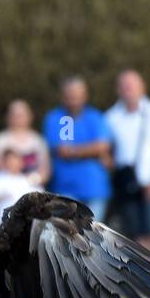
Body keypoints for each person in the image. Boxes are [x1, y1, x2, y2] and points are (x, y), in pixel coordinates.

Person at [106, 69, 150, 264]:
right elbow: (107, 151)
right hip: (126, 182)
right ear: (118, 89)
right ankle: (148, 280)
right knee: (137, 234)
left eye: (132, 84)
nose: (129, 89)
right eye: (125, 85)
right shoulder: (111, 117)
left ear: (142, 86)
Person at [44, 76, 112, 221]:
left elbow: (103, 146)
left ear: (85, 96)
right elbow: (62, 150)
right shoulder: (57, 118)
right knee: (68, 237)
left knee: (92, 237)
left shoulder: (95, 117)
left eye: (77, 95)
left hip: (95, 188)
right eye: (70, 95)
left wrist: (75, 151)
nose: (73, 99)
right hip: (65, 189)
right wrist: (92, 151)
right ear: (63, 96)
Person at [0, 99, 50, 182]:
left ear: (30, 117)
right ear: (8, 117)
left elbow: (45, 170)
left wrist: (30, 181)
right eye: (14, 115)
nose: (18, 119)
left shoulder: (38, 140)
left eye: (21, 115)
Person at [0, 147, 41, 228]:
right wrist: (1, 197)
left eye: (15, 160)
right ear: (4, 162)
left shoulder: (29, 180)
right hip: (1, 225)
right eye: (10, 160)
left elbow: (40, 201)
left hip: (25, 225)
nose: (13, 163)